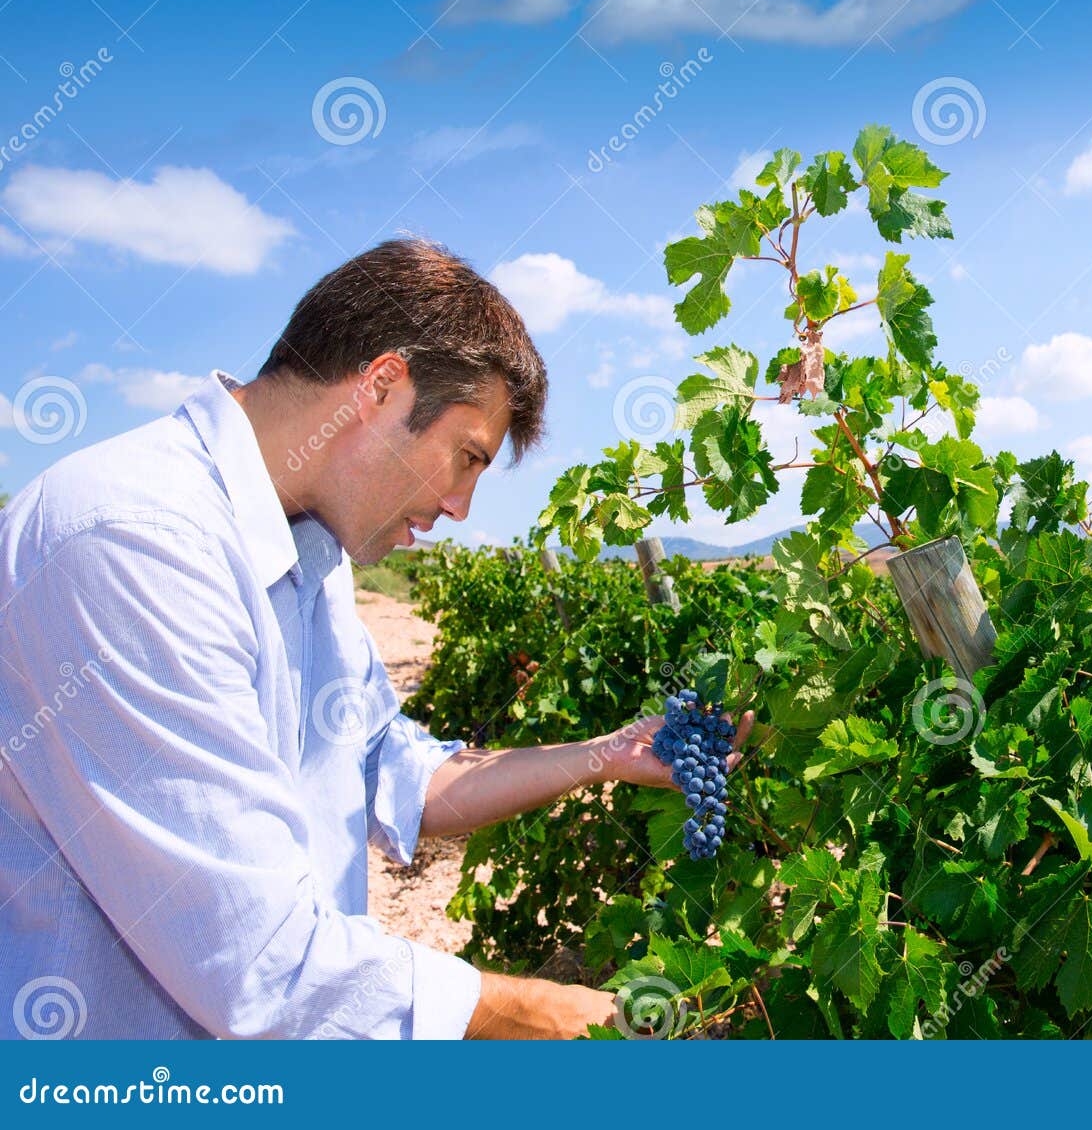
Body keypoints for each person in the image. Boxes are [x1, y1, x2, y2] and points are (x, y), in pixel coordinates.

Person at [0, 237, 751, 1040]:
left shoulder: (309, 552)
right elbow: (257, 964)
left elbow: (395, 773)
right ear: (383, 386)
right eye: (467, 458)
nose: (462, 505)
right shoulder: (131, 542)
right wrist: (556, 1014)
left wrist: (606, 754)